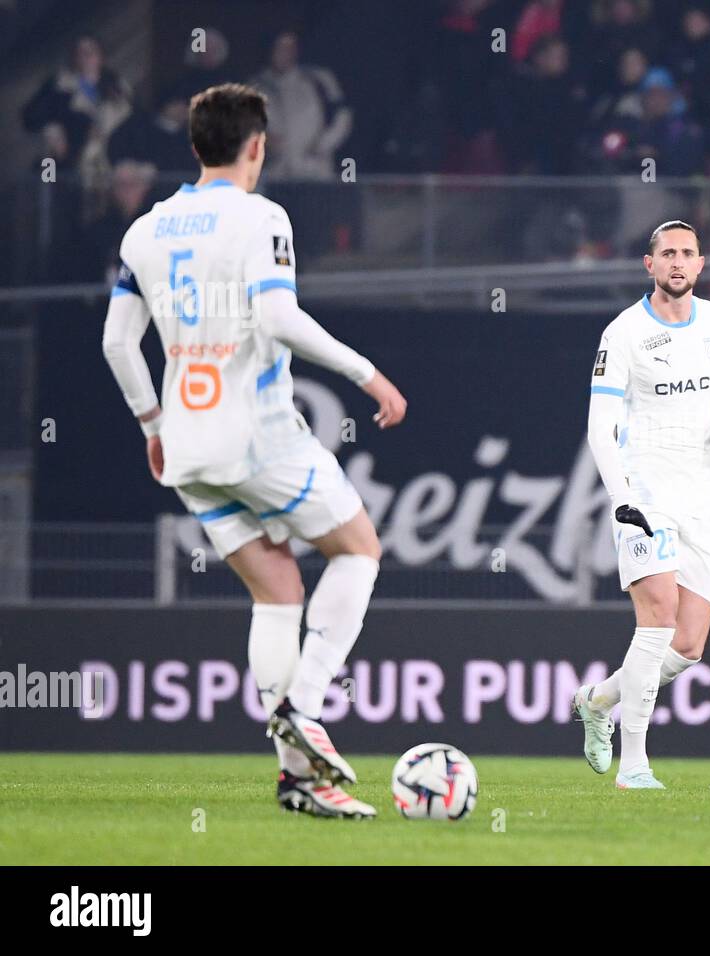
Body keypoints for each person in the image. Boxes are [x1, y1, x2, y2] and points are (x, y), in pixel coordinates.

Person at [100, 84, 408, 817]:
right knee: (358, 548)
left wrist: (150, 425)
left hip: (184, 446)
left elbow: (116, 341)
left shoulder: (144, 230)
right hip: (256, 431)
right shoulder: (262, 215)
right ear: (258, 146)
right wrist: (368, 374)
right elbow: (278, 315)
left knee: (277, 594)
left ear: (195, 146)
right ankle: (304, 707)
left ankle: (299, 781)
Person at [573, 220, 710, 790]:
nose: (678, 262)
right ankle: (634, 766)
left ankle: (598, 700)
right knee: (657, 619)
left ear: (701, 266)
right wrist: (622, 496)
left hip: (701, 496)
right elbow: (600, 426)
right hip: (644, 492)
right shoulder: (623, 332)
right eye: (667, 253)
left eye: (687, 254)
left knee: (690, 644)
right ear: (648, 265)